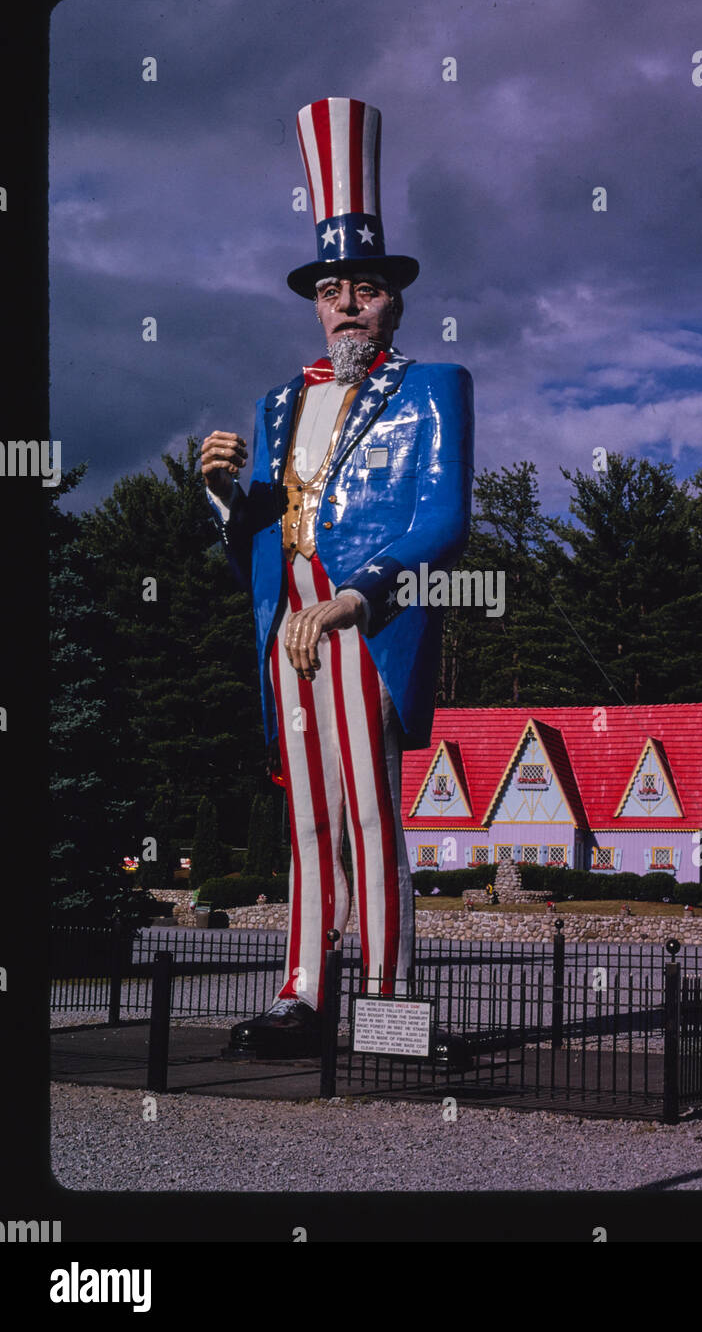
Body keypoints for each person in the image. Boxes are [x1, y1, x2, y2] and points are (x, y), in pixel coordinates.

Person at [203, 98, 474, 1056]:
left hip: (360, 617)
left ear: (393, 297)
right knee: (307, 817)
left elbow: (444, 518)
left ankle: (390, 1002)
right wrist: (225, 493)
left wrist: (361, 592)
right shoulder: (281, 401)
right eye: (330, 289)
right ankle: (304, 992)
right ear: (315, 302)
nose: (346, 302)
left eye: (362, 286)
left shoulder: (434, 387)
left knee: (369, 811)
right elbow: (262, 534)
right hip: (290, 623)